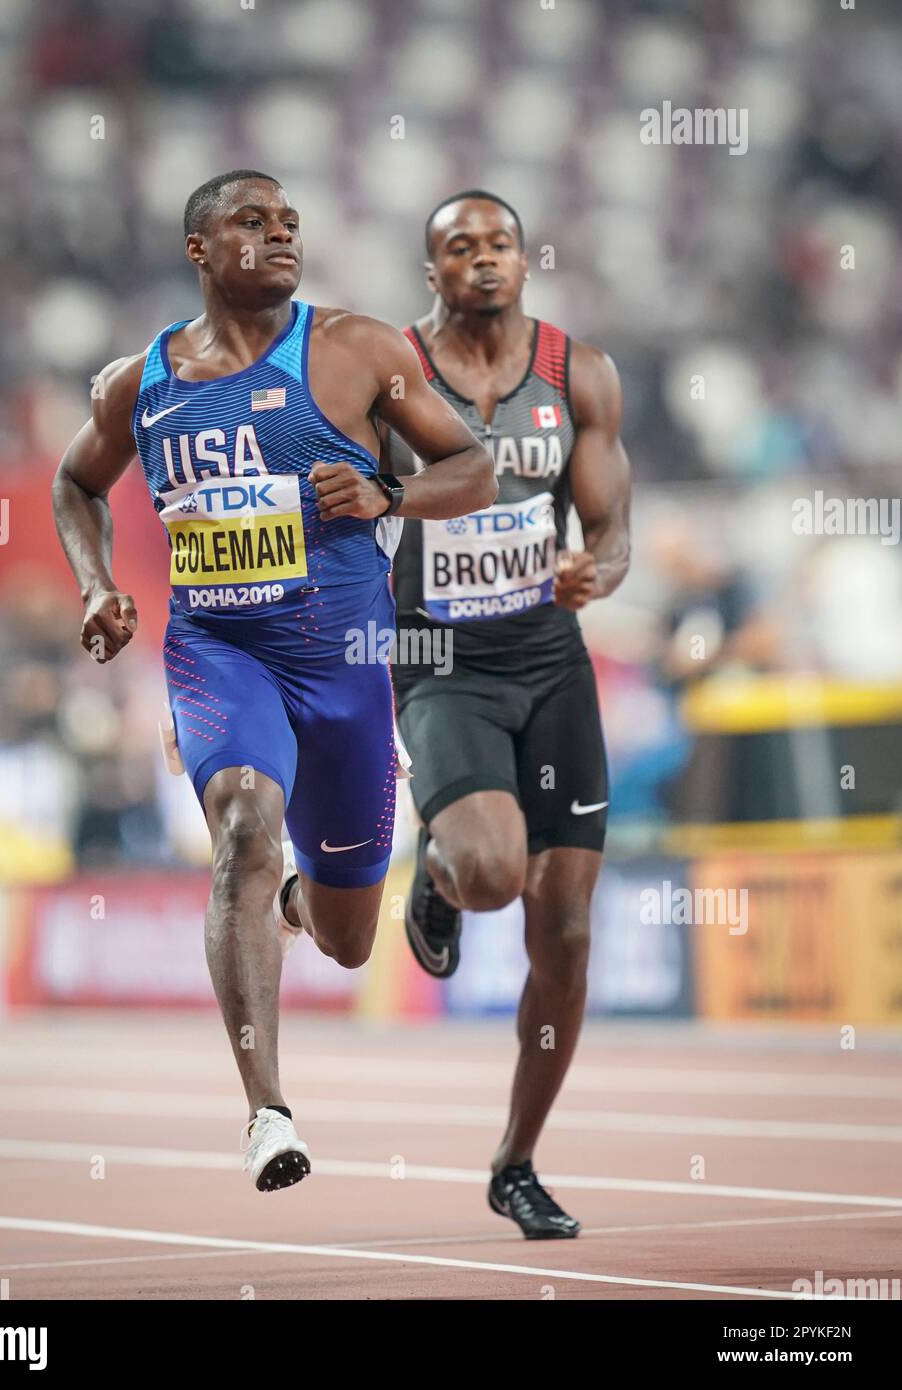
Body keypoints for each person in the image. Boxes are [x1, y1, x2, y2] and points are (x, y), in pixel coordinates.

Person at [52, 171, 495, 1193]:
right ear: (201, 248)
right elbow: (76, 482)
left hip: (342, 668)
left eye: (291, 222)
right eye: (253, 221)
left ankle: (301, 907)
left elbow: (470, 469)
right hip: (218, 654)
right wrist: (97, 586)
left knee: (345, 941)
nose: (280, 235)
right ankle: (267, 1109)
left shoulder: (358, 351)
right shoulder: (140, 381)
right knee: (245, 823)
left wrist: (389, 489)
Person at [386, 190, 631, 1238]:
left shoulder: (579, 372)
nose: (484, 261)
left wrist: (597, 571)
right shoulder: (390, 372)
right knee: (490, 874)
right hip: (438, 658)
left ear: (526, 259)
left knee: (565, 931)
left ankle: (515, 1161)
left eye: (500, 245)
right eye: (459, 248)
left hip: (549, 661)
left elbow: (613, 527)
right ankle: (437, 877)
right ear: (430, 271)